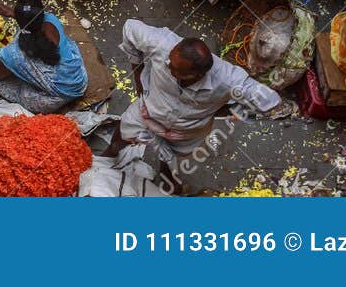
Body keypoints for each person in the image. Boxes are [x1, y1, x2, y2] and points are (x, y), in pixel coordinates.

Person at [116, 21, 281, 187]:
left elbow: (270, 101)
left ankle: (166, 176)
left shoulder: (228, 79)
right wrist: (137, 75)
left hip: (186, 132)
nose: (167, 65)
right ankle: (108, 156)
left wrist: (227, 110)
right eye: (169, 61)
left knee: (169, 156)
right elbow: (130, 27)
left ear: (197, 74)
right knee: (124, 129)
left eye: (174, 68)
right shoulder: (162, 44)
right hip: (148, 110)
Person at [0, 0, 89, 113]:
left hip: (60, 96)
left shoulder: (16, 53)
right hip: (79, 79)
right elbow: (35, 26)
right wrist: (15, 14)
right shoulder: (50, 19)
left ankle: (38, 92)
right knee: (21, 64)